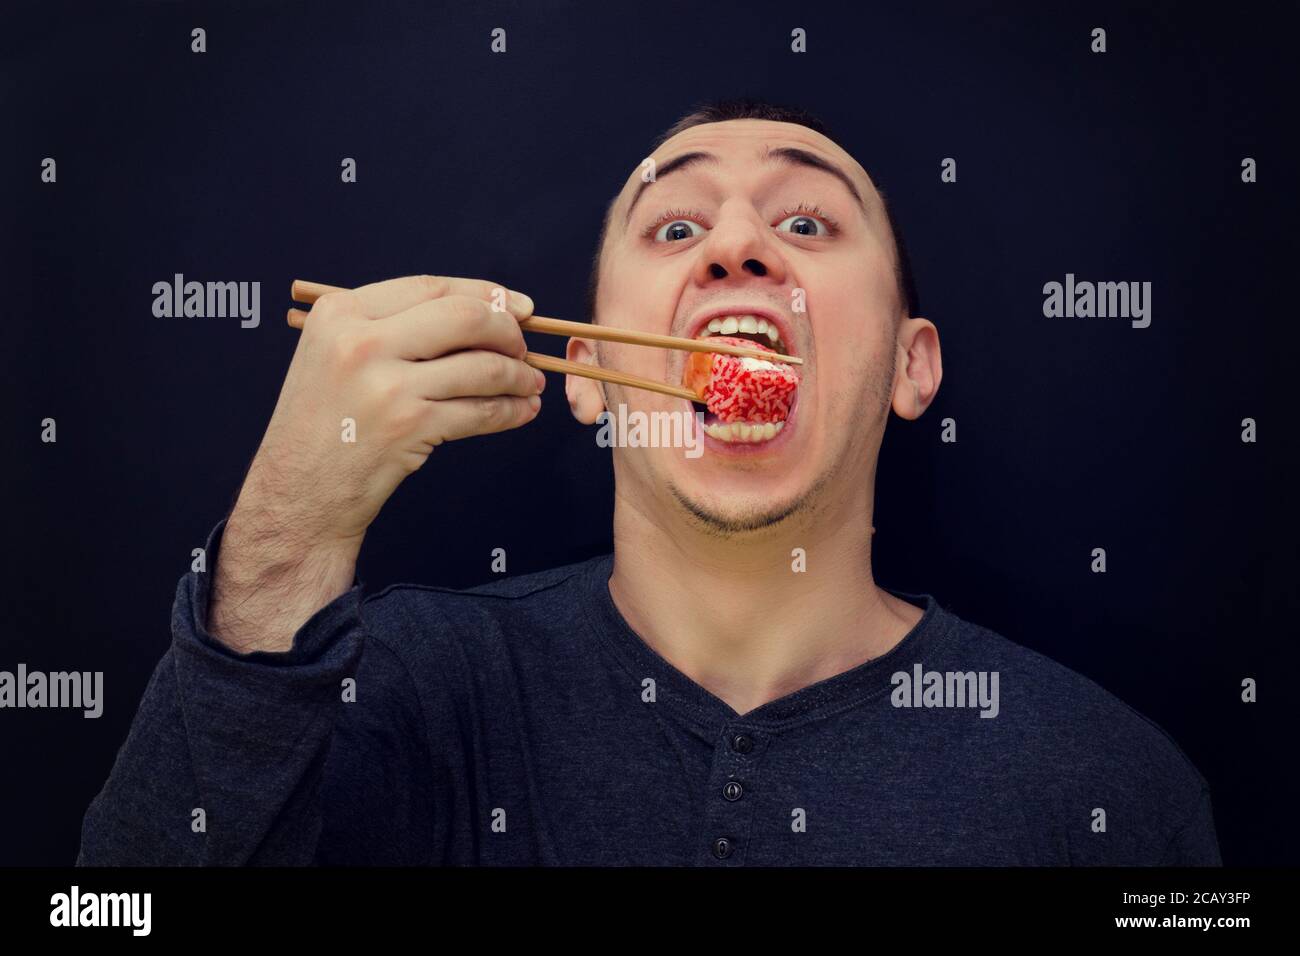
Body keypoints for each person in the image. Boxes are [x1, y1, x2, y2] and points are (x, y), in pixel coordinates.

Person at [77, 99, 1220, 865]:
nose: (736, 244)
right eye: (675, 221)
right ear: (583, 372)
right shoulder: (400, 690)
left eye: (807, 219)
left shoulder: (1103, 779)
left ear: (911, 365)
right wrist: (288, 530)